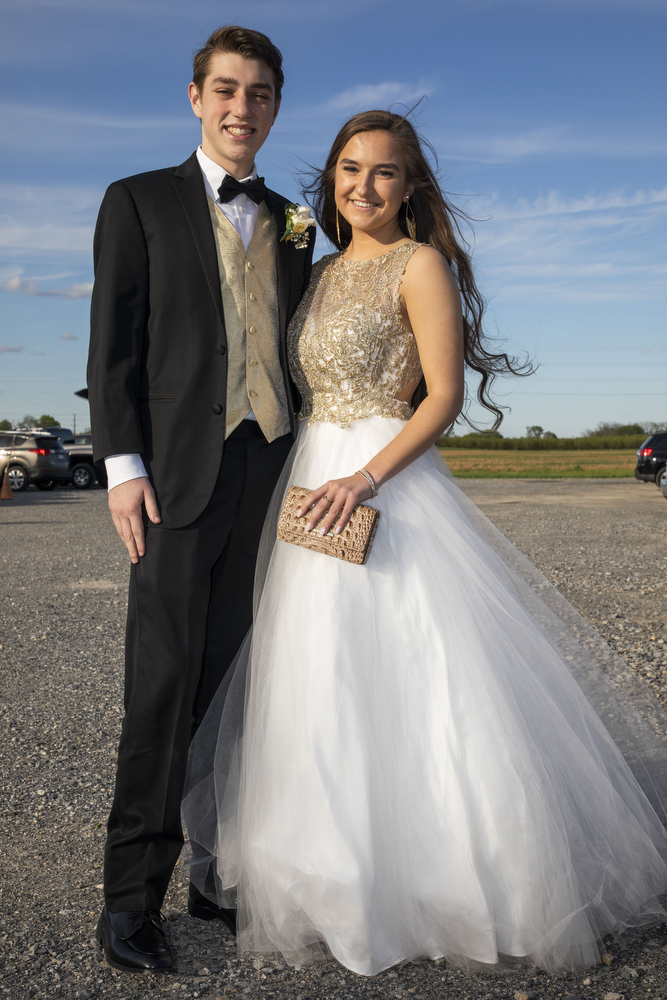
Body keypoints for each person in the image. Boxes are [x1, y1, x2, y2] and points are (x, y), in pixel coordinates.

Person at [183, 110, 667, 977]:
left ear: (411, 187)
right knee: (317, 675)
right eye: (348, 169)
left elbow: (439, 397)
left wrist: (364, 478)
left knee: (416, 672)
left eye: (382, 173)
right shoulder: (319, 273)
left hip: (381, 485)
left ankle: (449, 882)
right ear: (330, 178)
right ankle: (334, 880)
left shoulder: (421, 266)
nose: (361, 186)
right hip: (311, 483)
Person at [86, 26, 315, 974]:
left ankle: (214, 881)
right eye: (225, 89)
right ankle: (129, 902)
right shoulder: (137, 201)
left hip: (271, 472)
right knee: (165, 690)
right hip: (174, 478)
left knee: (238, 691)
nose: (241, 107)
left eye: (259, 93)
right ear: (194, 97)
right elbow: (114, 348)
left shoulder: (299, 220)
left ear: (274, 106)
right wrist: (121, 467)